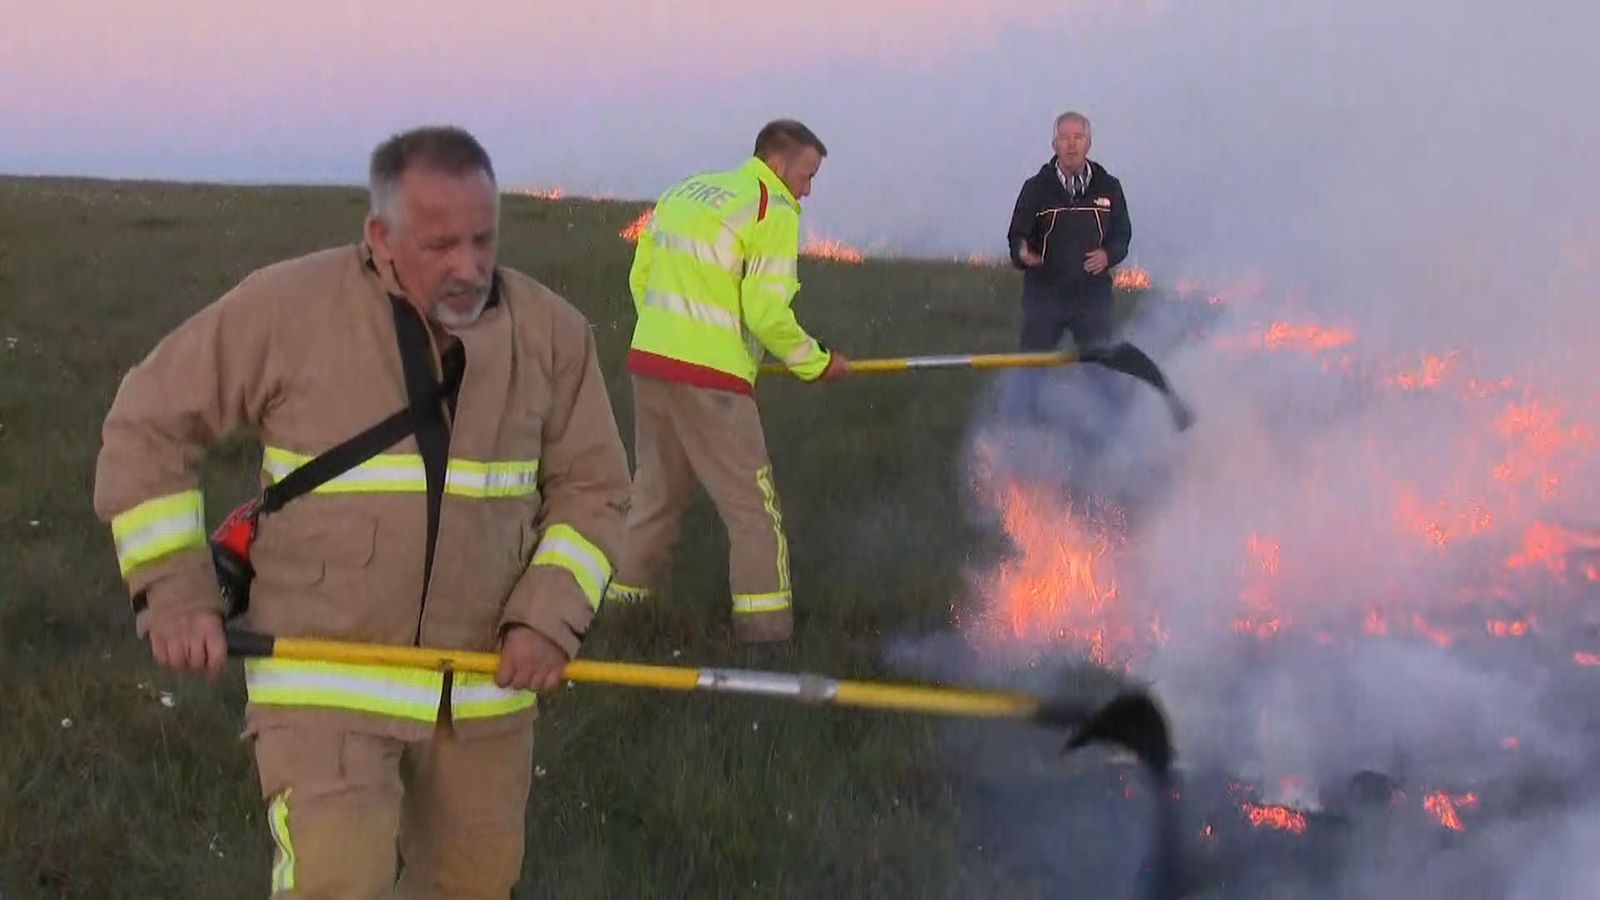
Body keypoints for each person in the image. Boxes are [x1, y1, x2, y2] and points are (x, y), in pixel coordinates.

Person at [92, 125, 631, 897]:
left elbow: (595, 488)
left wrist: (549, 615)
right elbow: (149, 421)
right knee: (338, 880)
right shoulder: (286, 307)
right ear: (380, 235)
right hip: (323, 679)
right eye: (442, 243)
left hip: (483, 688)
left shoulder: (554, 333)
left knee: (474, 884)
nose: (470, 266)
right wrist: (174, 593)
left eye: (484, 238)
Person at [604, 118, 850, 645]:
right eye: (807, 174)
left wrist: (669, 335)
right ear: (778, 163)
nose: (808, 189)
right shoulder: (773, 207)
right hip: (712, 380)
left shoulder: (684, 192)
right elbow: (765, 311)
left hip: (649, 363)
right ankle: (767, 636)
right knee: (752, 509)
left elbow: (640, 277)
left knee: (654, 496)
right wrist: (817, 361)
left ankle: (621, 617)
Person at [1005, 110, 1133, 425]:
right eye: (1064, 138)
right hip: (1045, 296)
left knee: (1102, 366)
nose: (1071, 144)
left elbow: (1123, 235)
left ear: (1089, 143)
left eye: (1078, 137)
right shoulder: (1036, 189)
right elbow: (1016, 237)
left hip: (1091, 298)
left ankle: (1116, 434)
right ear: (1054, 143)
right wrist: (1023, 253)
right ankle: (1019, 432)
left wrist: (1109, 254)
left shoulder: (1109, 187)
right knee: (1031, 368)